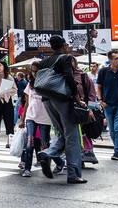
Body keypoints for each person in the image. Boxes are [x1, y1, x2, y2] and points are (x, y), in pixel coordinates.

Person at [34, 35, 88, 184]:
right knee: (73, 136)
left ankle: (47, 153)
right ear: (63, 45)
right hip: (62, 99)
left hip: (47, 100)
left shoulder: (43, 61)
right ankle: (74, 174)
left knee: (62, 134)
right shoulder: (65, 58)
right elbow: (70, 79)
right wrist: (78, 99)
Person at [17, 82, 51, 178]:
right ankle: (27, 169)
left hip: (44, 118)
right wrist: (22, 119)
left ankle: (52, 164)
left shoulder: (47, 82)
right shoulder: (30, 84)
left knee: (45, 145)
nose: (34, 74)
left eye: (36, 72)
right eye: (33, 72)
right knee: (29, 144)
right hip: (30, 117)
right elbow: (27, 102)